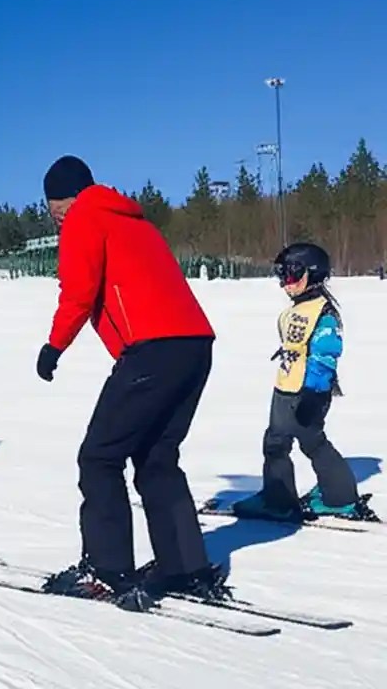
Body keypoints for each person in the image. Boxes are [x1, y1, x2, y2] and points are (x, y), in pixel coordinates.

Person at [33, 155, 227, 611]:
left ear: (62, 201)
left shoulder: (83, 218)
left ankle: (106, 570)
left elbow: (78, 292)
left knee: (99, 457)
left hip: (153, 350)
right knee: (157, 458)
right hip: (195, 346)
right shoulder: (132, 219)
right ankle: (184, 566)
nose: (54, 218)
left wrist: (53, 347)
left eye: (52, 208)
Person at [229, 242, 374, 521]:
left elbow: (325, 354)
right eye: (282, 275)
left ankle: (280, 501)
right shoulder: (299, 308)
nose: (286, 283)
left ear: (314, 274)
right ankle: (338, 495)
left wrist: (313, 391)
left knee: (278, 443)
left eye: (292, 275)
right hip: (287, 387)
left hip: (304, 391)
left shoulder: (322, 313)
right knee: (308, 441)